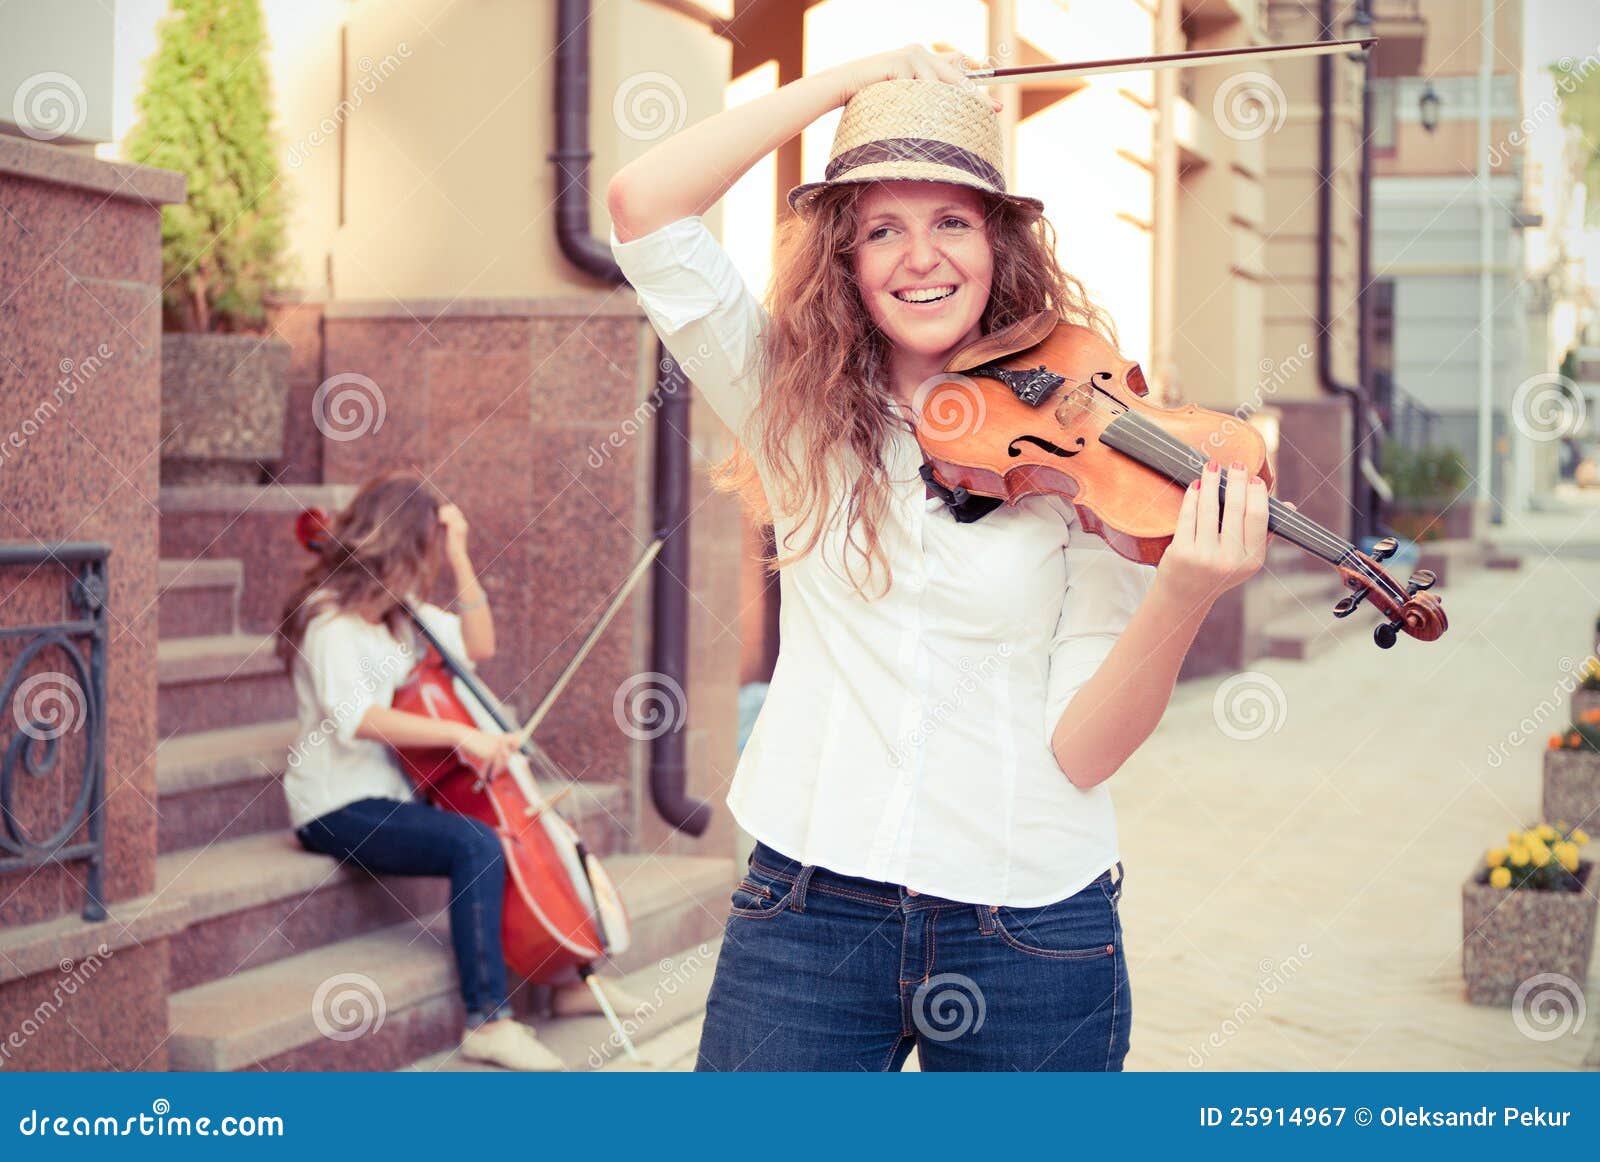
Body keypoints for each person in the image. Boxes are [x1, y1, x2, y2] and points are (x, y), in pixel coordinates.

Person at [608, 47, 1272, 1071]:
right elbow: (643, 204)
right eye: (883, 228)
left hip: (1030, 924)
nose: (920, 257)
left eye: (951, 220)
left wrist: (1180, 594)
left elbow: (1083, 752)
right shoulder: (791, 407)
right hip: (806, 913)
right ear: (846, 259)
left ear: (999, 245)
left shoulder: (1085, 444)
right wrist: (854, 81)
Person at [276, 471, 616, 1070]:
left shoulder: (400, 616)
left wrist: (462, 555)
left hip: (394, 796)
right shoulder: (328, 619)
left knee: (510, 836)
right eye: (428, 553)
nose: (427, 568)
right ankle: (488, 1020)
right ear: (401, 547)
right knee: (476, 845)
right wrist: (461, 734)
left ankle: (565, 984)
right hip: (335, 805)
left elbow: (479, 645)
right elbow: (358, 717)